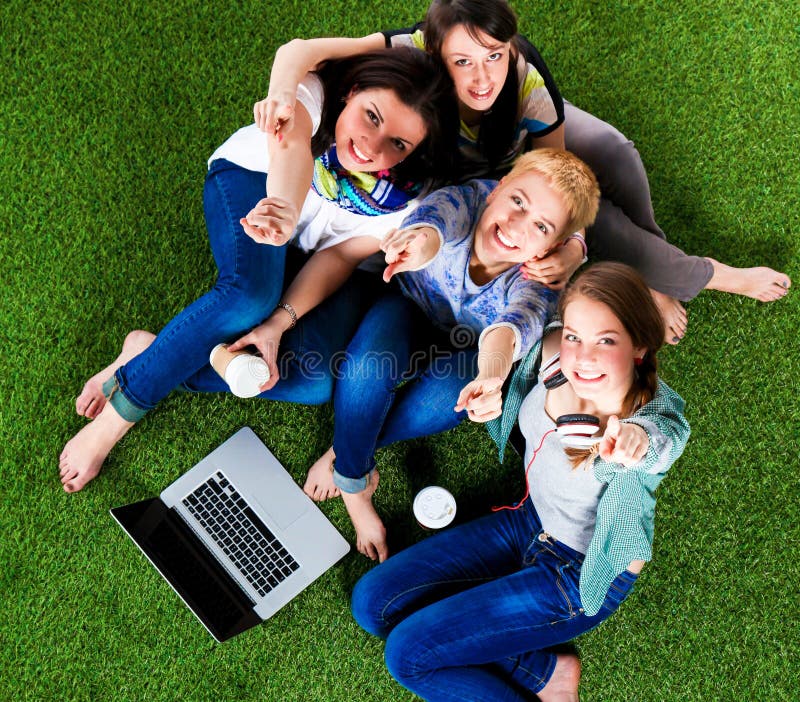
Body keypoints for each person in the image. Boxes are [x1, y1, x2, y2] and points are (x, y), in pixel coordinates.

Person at [258, 0, 790, 344]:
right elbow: (300, 52)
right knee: (605, 224)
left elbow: (557, 170)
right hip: (484, 178)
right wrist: (281, 95)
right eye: (462, 62)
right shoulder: (411, 49)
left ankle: (659, 272)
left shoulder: (525, 82)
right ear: (434, 51)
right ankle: (709, 274)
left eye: (494, 55)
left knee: (615, 154)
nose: (481, 78)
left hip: (526, 146)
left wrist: (573, 246)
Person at [58, 48, 459, 493]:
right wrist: (282, 207)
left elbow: (340, 257)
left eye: (398, 144)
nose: (373, 146)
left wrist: (277, 325)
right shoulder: (312, 98)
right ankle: (115, 421)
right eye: (372, 116)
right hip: (257, 185)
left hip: (307, 247)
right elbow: (292, 155)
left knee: (315, 381)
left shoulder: (407, 200)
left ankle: (148, 352)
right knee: (249, 294)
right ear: (353, 91)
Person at [350, 262, 690, 701]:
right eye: (575, 336)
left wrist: (634, 441)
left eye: (606, 340)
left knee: (407, 656)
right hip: (527, 521)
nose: (583, 357)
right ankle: (544, 671)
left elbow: (664, 440)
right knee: (372, 604)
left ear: (639, 346)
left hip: (575, 574)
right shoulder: (557, 356)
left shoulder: (650, 418)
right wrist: (491, 377)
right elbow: (510, 332)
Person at [305, 148, 601, 563]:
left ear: (552, 247)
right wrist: (418, 244)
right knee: (367, 368)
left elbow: (508, 332)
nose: (516, 224)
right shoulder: (466, 200)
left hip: (468, 351)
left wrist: (492, 377)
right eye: (517, 201)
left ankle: (345, 454)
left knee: (451, 394)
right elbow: (435, 228)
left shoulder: (538, 283)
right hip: (407, 306)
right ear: (497, 189)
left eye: (540, 226)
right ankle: (354, 485)